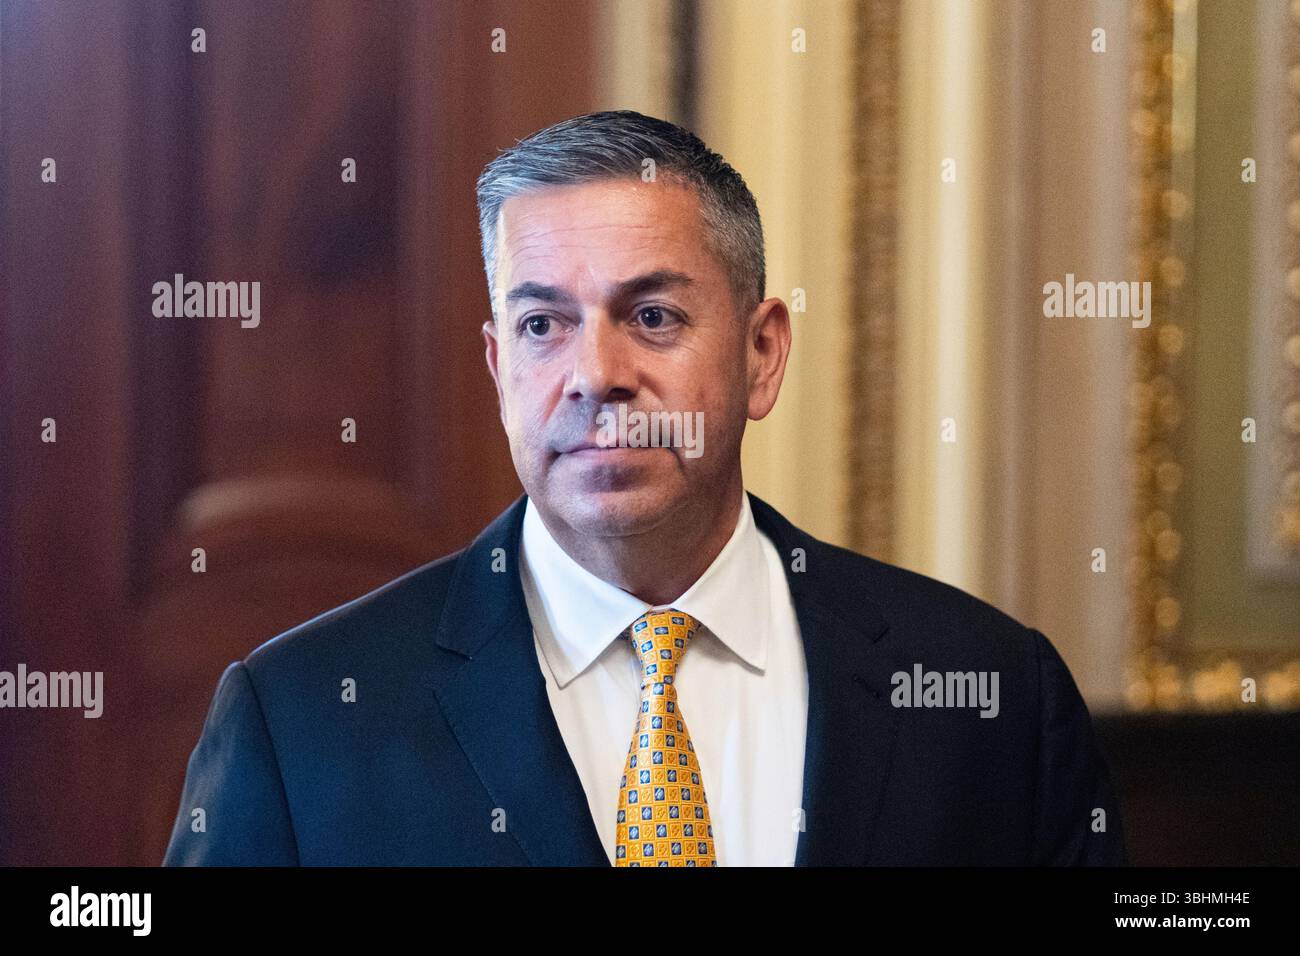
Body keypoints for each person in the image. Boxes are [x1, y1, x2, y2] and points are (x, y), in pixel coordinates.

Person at [163, 110, 1126, 866]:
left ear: (761, 354)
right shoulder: (301, 721)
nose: (595, 374)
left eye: (653, 315)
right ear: (500, 368)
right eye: (544, 326)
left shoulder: (995, 696)